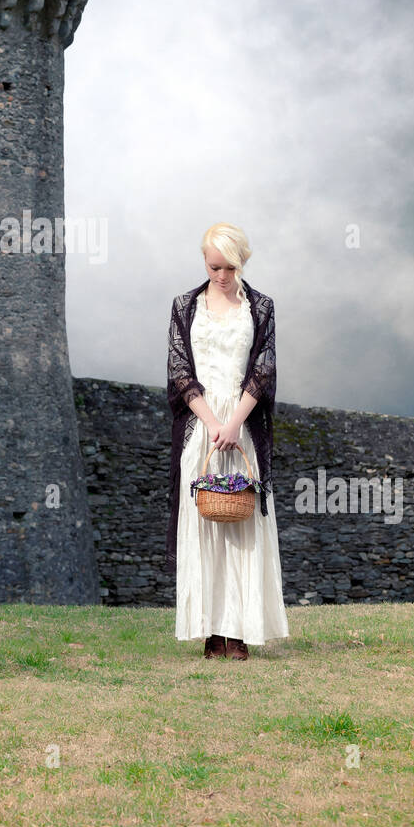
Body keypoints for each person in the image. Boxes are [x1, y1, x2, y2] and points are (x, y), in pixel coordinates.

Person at [166, 223, 289, 661]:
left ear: (242, 262)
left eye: (229, 267)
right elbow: (180, 371)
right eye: (213, 266)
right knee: (202, 526)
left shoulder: (261, 307)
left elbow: (265, 368)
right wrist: (212, 421)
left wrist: (235, 422)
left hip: (242, 425)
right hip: (201, 427)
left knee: (242, 528)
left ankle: (238, 630)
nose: (220, 275)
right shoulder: (185, 306)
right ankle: (210, 631)